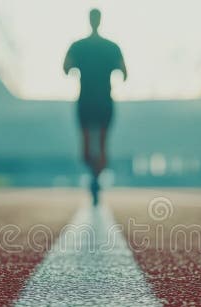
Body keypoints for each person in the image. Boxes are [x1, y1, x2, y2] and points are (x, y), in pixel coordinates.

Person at [64, 8, 127, 205]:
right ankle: (96, 176)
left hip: (86, 101)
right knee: (101, 144)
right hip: (104, 102)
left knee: (86, 147)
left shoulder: (78, 46)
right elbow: (124, 73)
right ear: (100, 20)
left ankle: (94, 175)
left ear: (90, 20)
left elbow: (66, 68)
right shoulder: (112, 47)